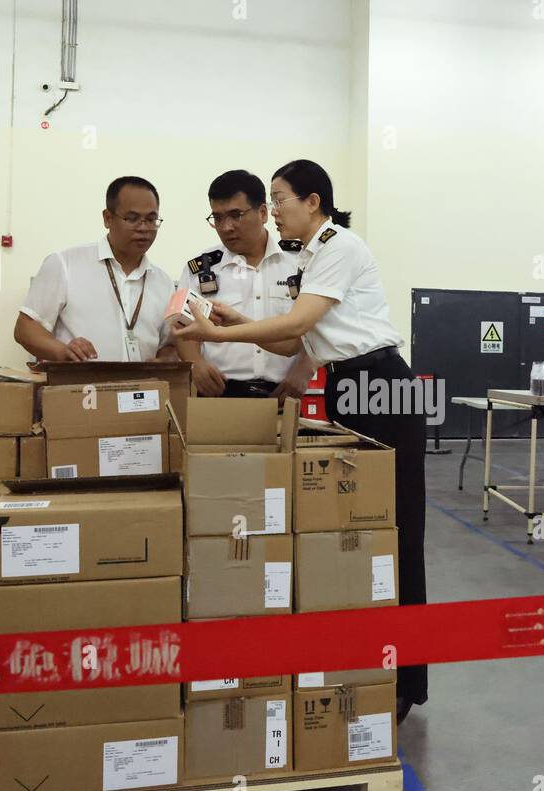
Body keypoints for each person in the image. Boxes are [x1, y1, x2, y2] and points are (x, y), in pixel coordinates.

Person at [171, 159, 427, 722]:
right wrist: (228, 315)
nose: (275, 207)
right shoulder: (312, 257)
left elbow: (291, 328)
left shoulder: (338, 246)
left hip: (382, 387)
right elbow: (294, 343)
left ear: (312, 202)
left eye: (279, 198)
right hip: (351, 384)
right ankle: (367, 661)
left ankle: (407, 678)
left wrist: (214, 331)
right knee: (358, 528)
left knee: (397, 529)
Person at [173, 170, 313, 399]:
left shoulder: (300, 263)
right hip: (219, 394)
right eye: (217, 218)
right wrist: (195, 363)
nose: (226, 227)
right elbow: (182, 327)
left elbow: (319, 327)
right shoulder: (200, 269)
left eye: (235, 215)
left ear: (263, 212)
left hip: (284, 393)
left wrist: (304, 369)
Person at [15, 176, 175, 363]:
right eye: (132, 219)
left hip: (142, 390)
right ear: (107, 218)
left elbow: (169, 345)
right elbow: (26, 328)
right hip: (79, 388)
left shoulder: (163, 282)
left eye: (151, 219)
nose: (144, 228)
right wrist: (63, 351)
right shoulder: (65, 264)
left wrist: (166, 360)